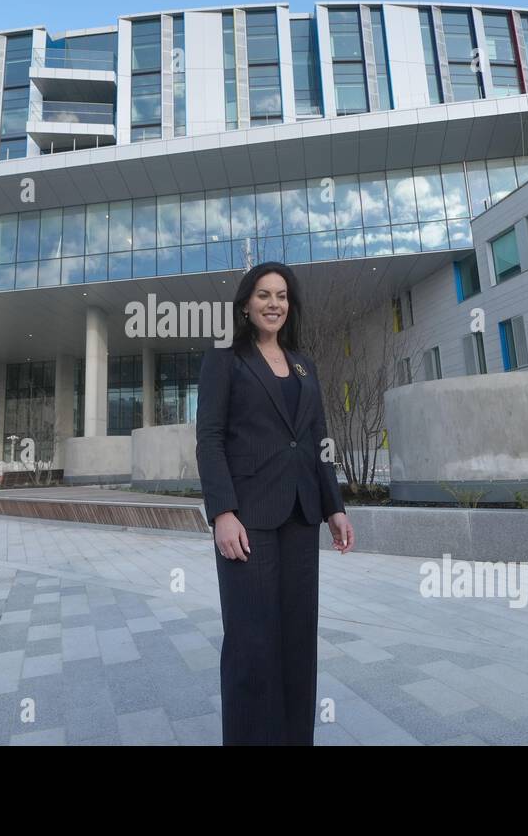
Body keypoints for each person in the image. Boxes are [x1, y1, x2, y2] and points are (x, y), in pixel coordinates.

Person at [196, 261, 355, 746]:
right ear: (246, 303)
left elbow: (316, 441)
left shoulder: (304, 364)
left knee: (296, 642)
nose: (273, 304)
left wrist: (335, 507)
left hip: (301, 517)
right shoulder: (226, 357)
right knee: (251, 643)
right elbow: (210, 437)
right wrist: (223, 512)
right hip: (248, 520)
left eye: (281, 295)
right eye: (263, 295)